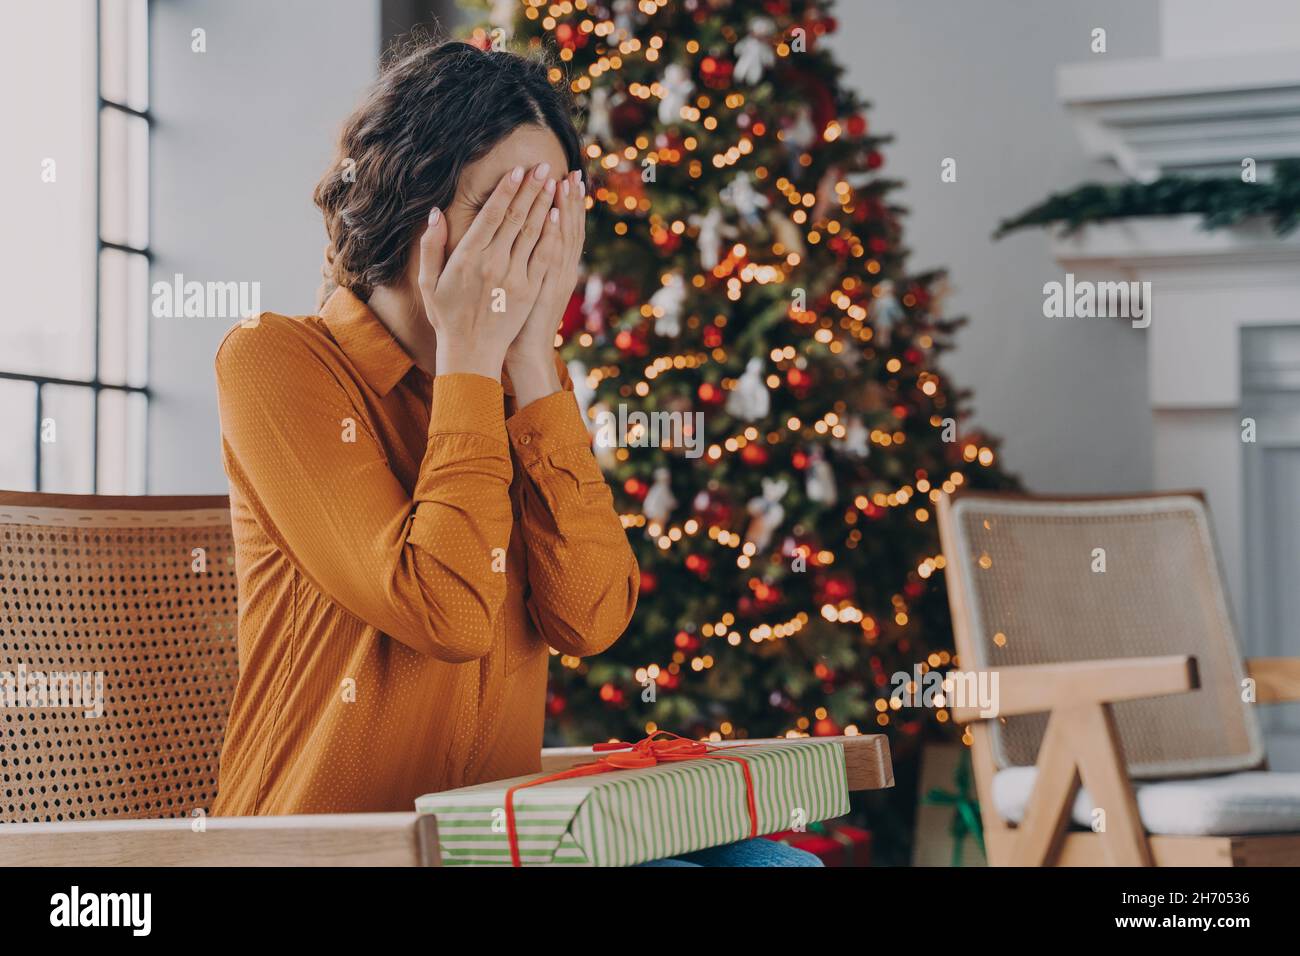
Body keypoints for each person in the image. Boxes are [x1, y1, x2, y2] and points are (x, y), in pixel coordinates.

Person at [211, 37, 817, 867]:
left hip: (492, 844)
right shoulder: (275, 360)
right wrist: (468, 354)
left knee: (774, 865)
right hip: (332, 850)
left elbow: (592, 616)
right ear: (408, 200)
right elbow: (448, 614)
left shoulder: (516, 372)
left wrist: (531, 361)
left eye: (553, 208)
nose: (532, 239)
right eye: (504, 205)